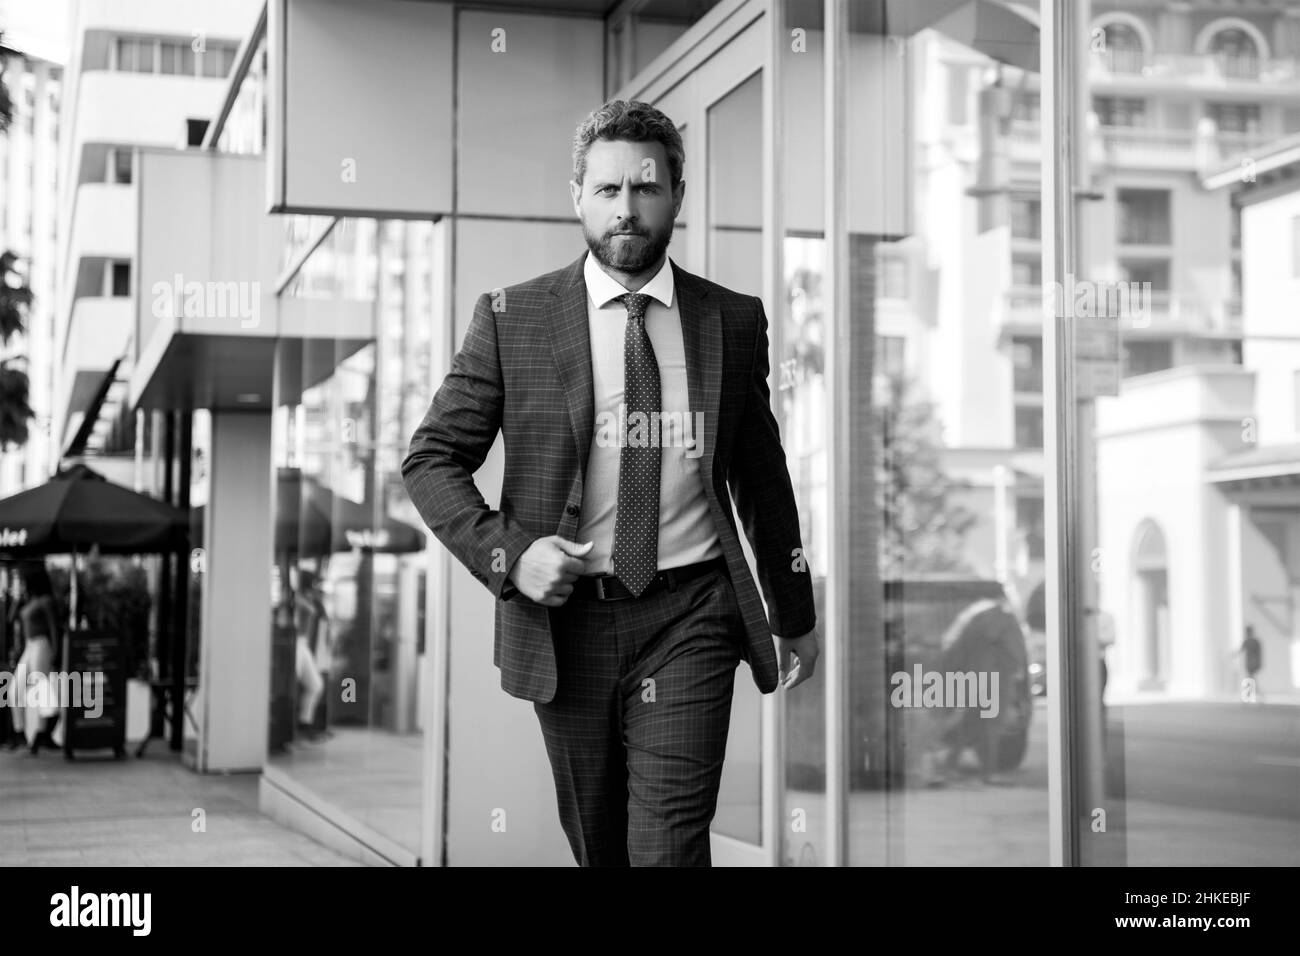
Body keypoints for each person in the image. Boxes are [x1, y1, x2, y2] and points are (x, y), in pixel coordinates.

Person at [402, 99, 820, 866]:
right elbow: (430, 460)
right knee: (603, 847)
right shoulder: (512, 318)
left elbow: (763, 476)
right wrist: (511, 555)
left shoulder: (731, 320)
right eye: (607, 190)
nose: (626, 209)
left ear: (677, 195)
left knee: (667, 846)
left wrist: (794, 609)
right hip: (570, 626)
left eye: (646, 187)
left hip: (691, 613)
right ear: (578, 197)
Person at [10, 564, 60, 755]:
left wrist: (55, 651)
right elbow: (11, 618)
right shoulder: (29, 601)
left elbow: (53, 627)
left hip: (42, 644)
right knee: (15, 690)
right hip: (29, 646)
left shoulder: (46, 601)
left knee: (41, 687)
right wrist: (18, 598)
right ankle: (19, 732)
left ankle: (42, 733)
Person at [293, 570, 328, 741]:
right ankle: (291, 728)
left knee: (315, 685)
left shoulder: (307, 598)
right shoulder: (297, 598)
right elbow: (308, 611)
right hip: (294, 643)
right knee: (292, 685)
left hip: (303, 643)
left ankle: (304, 724)